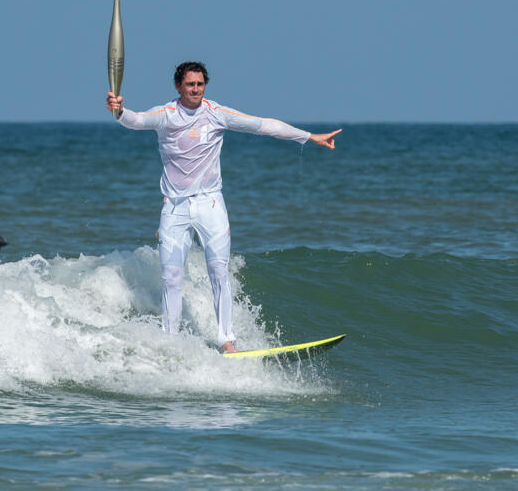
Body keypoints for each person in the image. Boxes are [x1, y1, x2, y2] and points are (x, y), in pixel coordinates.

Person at [105, 61, 341, 353]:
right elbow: (136, 120)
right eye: (190, 84)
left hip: (211, 204)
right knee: (171, 276)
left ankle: (226, 341)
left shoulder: (216, 114)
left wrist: (309, 136)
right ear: (178, 86)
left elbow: (265, 125)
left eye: (200, 84)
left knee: (219, 271)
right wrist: (118, 111)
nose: (196, 89)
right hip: (175, 208)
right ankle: (170, 343)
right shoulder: (166, 115)